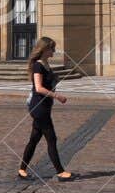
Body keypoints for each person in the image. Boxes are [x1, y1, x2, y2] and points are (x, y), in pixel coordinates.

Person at [18, 37, 74, 181]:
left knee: (34, 139)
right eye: (52, 48)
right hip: (38, 106)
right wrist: (57, 96)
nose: (54, 51)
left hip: (45, 106)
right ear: (44, 49)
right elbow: (39, 88)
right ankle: (60, 171)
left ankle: (22, 169)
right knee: (51, 138)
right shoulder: (38, 65)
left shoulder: (46, 64)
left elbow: (48, 83)